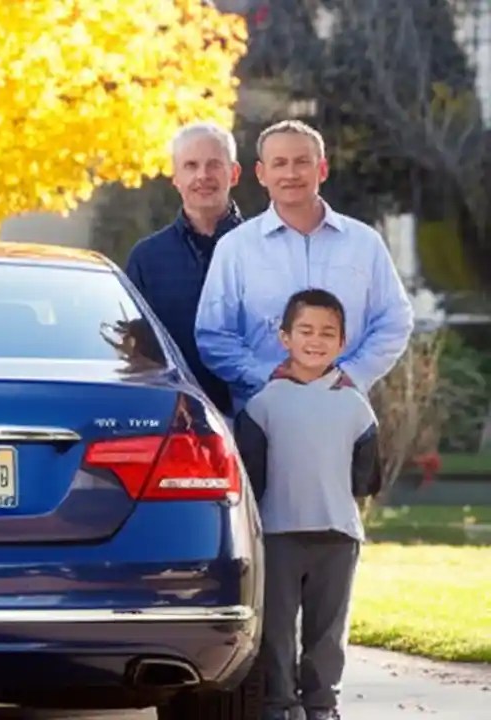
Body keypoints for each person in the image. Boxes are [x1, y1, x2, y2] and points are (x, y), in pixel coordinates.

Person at [234, 288, 383, 720]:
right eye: (305, 331)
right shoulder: (262, 406)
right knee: (277, 630)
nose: (315, 340)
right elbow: (252, 478)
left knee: (327, 632)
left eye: (327, 333)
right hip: (278, 535)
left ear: (342, 342)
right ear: (285, 337)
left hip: (338, 536)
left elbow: (365, 479)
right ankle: (280, 705)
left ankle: (322, 706)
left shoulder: (357, 408)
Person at [195, 119, 414, 413]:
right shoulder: (236, 248)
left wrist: (353, 374)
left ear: (322, 169)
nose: (290, 174)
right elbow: (214, 333)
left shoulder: (364, 243)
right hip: (261, 417)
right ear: (261, 173)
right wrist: (266, 376)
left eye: (301, 162)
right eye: (279, 163)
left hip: (344, 414)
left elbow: (394, 319)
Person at [125, 121, 242, 414]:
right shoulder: (147, 258)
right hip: (178, 423)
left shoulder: (265, 249)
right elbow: (137, 352)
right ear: (175, 177)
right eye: (191, 165)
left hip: (259, 417)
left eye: (214, 165)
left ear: (234, 173)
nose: (203, 176)